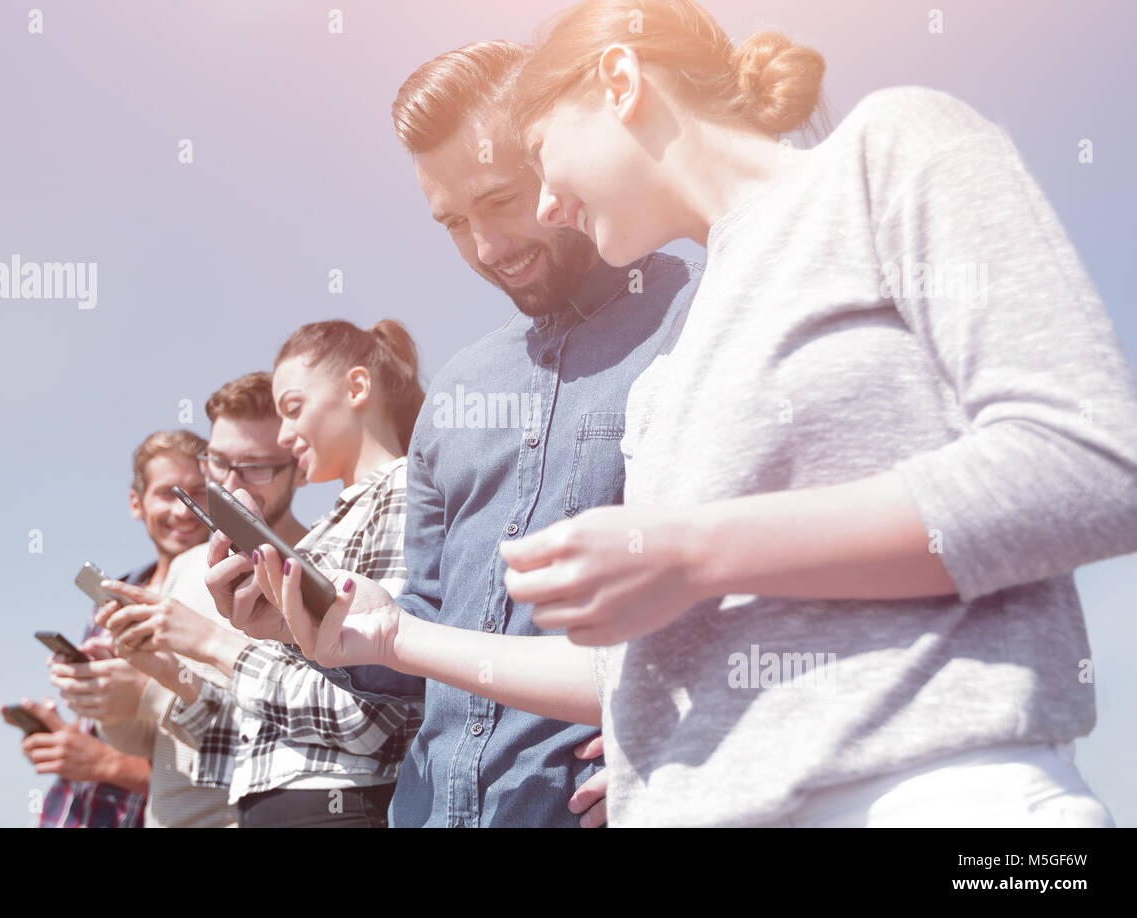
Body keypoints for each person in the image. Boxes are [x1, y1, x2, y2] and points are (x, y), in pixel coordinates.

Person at [275, 0, 1137, 827]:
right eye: (459, 219)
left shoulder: (888, 150)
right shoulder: (676, 365)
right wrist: (387, 637)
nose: (538, 212)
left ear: (619, 81)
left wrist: (693, 552)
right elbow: (624, 670)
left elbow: (1093, 463)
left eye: (538, 160)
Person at [240, 40, 704, 828]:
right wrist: (312, 627)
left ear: (561, 156)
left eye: (500, 200)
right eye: (454, 221)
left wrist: (678, 741)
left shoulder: (697, 324)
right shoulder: (454, 390)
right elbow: (420, 630)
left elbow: (735, 604)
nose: (487, 250)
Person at [96, 364, 420, 827]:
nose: (231, 484)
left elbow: (368, 725)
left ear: (299, 465)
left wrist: (212, 643)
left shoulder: (328, 567)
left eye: (257, 468)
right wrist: (166, 676)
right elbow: (250, 741)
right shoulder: (188, 569)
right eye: (218, 463)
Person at [3, 429, 209, 827]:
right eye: (169, 493)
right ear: (137, 502)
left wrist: (107, 763)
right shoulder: (115, 590)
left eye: (197, 494)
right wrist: (66, 737)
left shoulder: (222, 605)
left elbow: (229, 764)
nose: (184, 511)